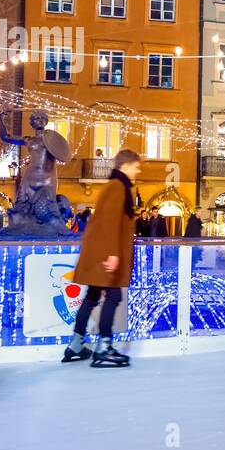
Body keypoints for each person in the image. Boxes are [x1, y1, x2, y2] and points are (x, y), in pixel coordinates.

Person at [62, 150, 140, 368]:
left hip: (98, 253)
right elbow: (110, 222)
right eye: (136, 166)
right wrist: (112, 253)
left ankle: (76, 344)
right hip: (106, 255)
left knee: (92, 296)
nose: (138, 171)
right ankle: (104, 347)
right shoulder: (118, 187)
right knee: (113, 296)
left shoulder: (113, 186)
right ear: (125, 166)